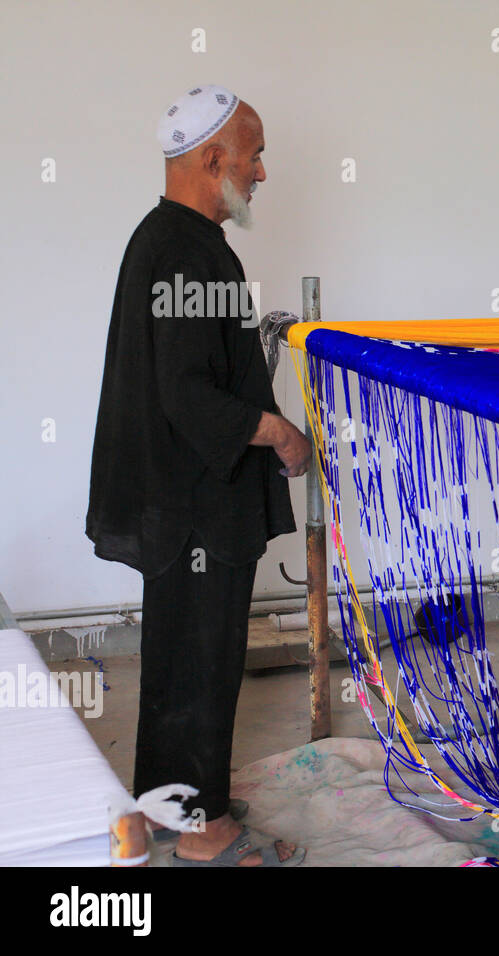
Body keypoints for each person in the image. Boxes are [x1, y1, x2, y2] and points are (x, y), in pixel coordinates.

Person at [86, 85, 313, 864]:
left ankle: (166, 805)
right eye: (253, 156)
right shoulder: (183, 248)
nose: (260, 173)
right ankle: (204, 831)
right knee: (202, 658)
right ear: (213, 158)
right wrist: (278, 432)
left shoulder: (175, 239)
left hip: (179, 499)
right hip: (194, 505)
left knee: (181, 654)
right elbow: (186, 392)